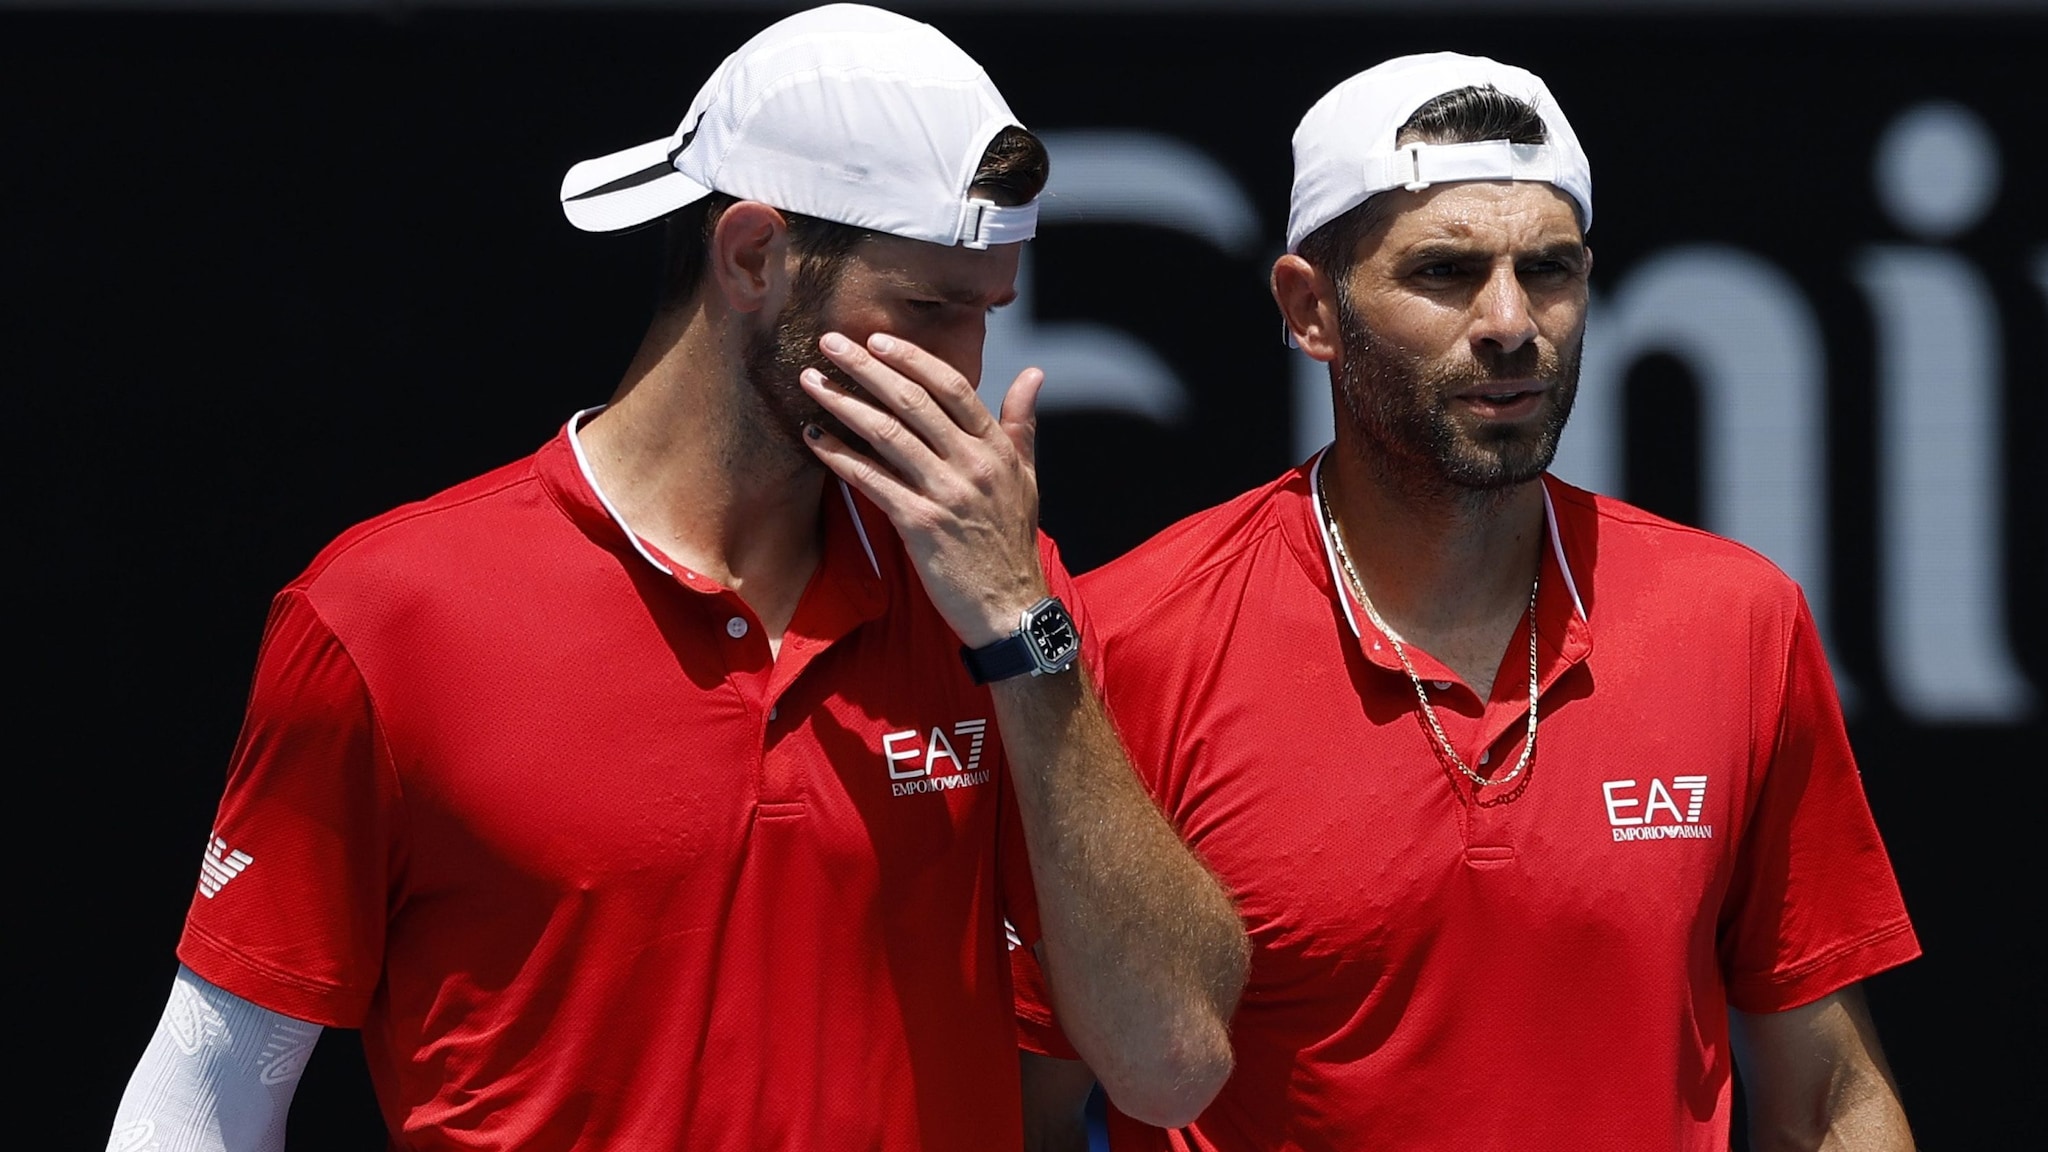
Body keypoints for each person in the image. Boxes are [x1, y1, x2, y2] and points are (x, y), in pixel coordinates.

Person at [106, 6, 1247, 1150]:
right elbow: (207, 1094)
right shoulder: (386, 612)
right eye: (928, 307)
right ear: (753, 256)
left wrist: (1019, 630)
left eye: (984, 312)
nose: (963, 368)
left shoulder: (1006, 598)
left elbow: (1171, 1071)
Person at [1016, 52, 1919, 1152]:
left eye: (1547, 269)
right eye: (1444, 273)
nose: (1508, 322)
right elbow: (1026, 1110)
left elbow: (1829, 1101)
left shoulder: (1734, 620)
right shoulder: (1126, 637)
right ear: (1309, 310)